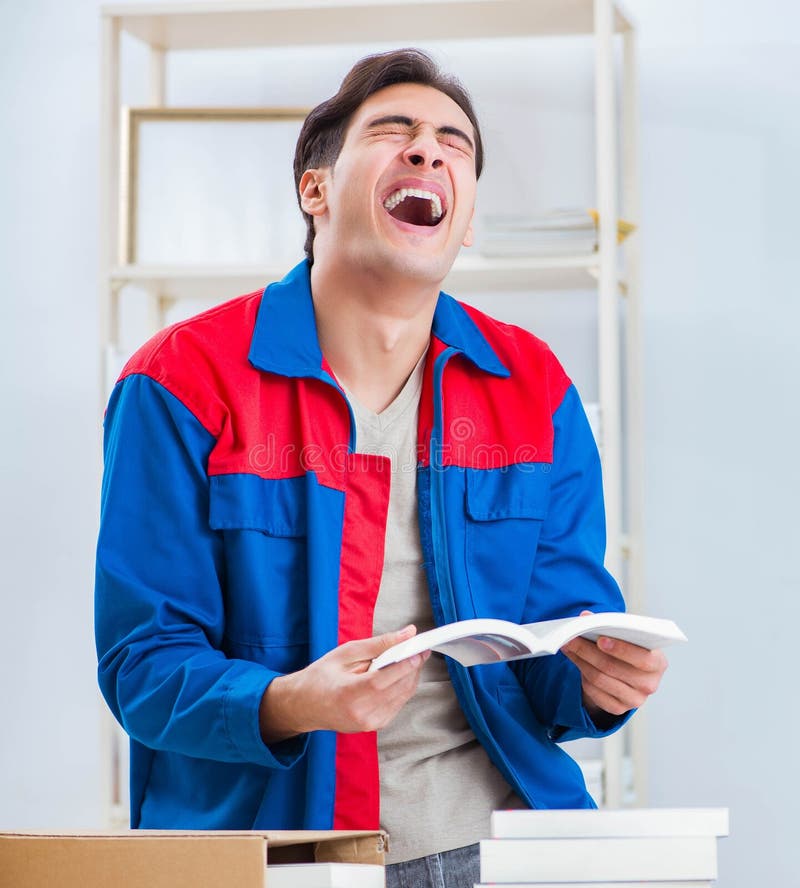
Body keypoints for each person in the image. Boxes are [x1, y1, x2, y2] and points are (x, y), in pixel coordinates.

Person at [95, 48, 667, 888]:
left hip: (504, 850)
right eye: (393, 131)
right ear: (315, 190)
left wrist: (599, 682)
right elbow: (141, 665)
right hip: (284, 855)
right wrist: (292, 701)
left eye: (453, 143)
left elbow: (550, 650)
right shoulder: (181, 383)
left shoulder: (534, 389)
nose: (427, 150)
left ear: (466, 221)